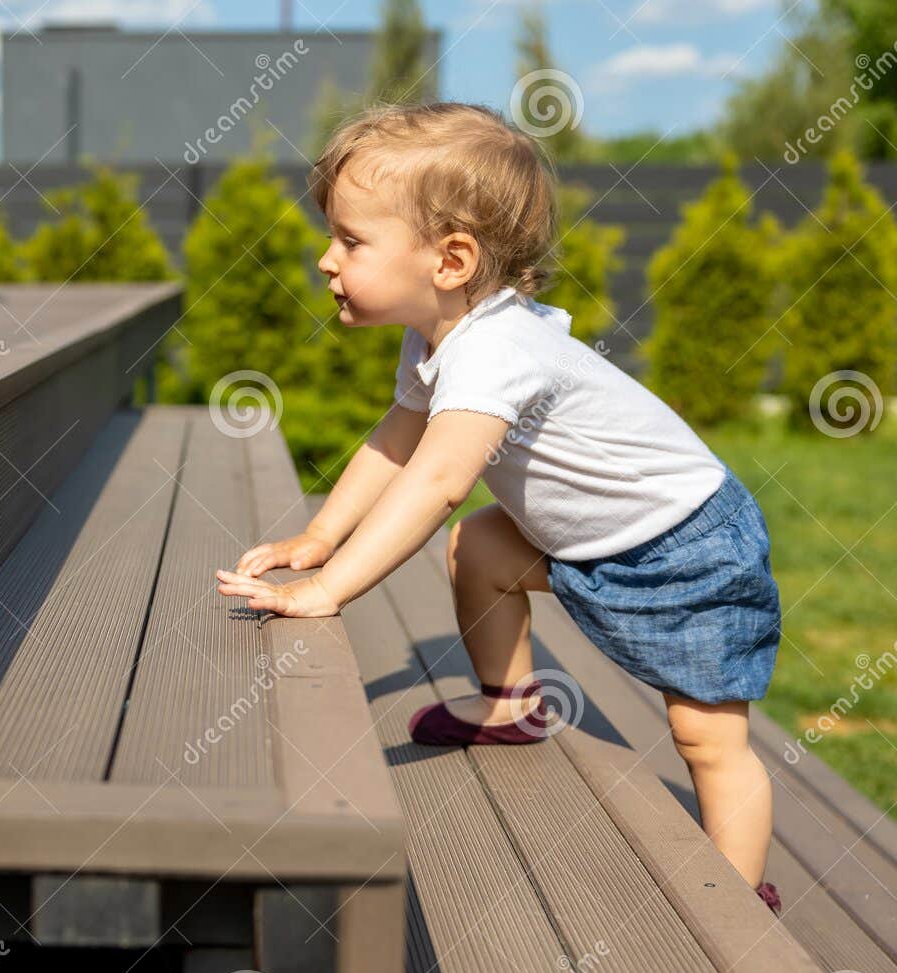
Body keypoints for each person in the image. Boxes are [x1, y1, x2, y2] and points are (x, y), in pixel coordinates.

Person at [214, 102, 785, 916]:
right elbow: (398, 439)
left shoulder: (496, 351)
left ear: (450, 260)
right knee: (479, 548)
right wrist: (319, 534)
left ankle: (735, 896)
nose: (323, 259)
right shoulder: (438, 336)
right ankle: (510, 706)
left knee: (708, 739)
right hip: (594, 540)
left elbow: (438, 478)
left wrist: (330, 587)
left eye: (350, 239)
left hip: (686, 546)